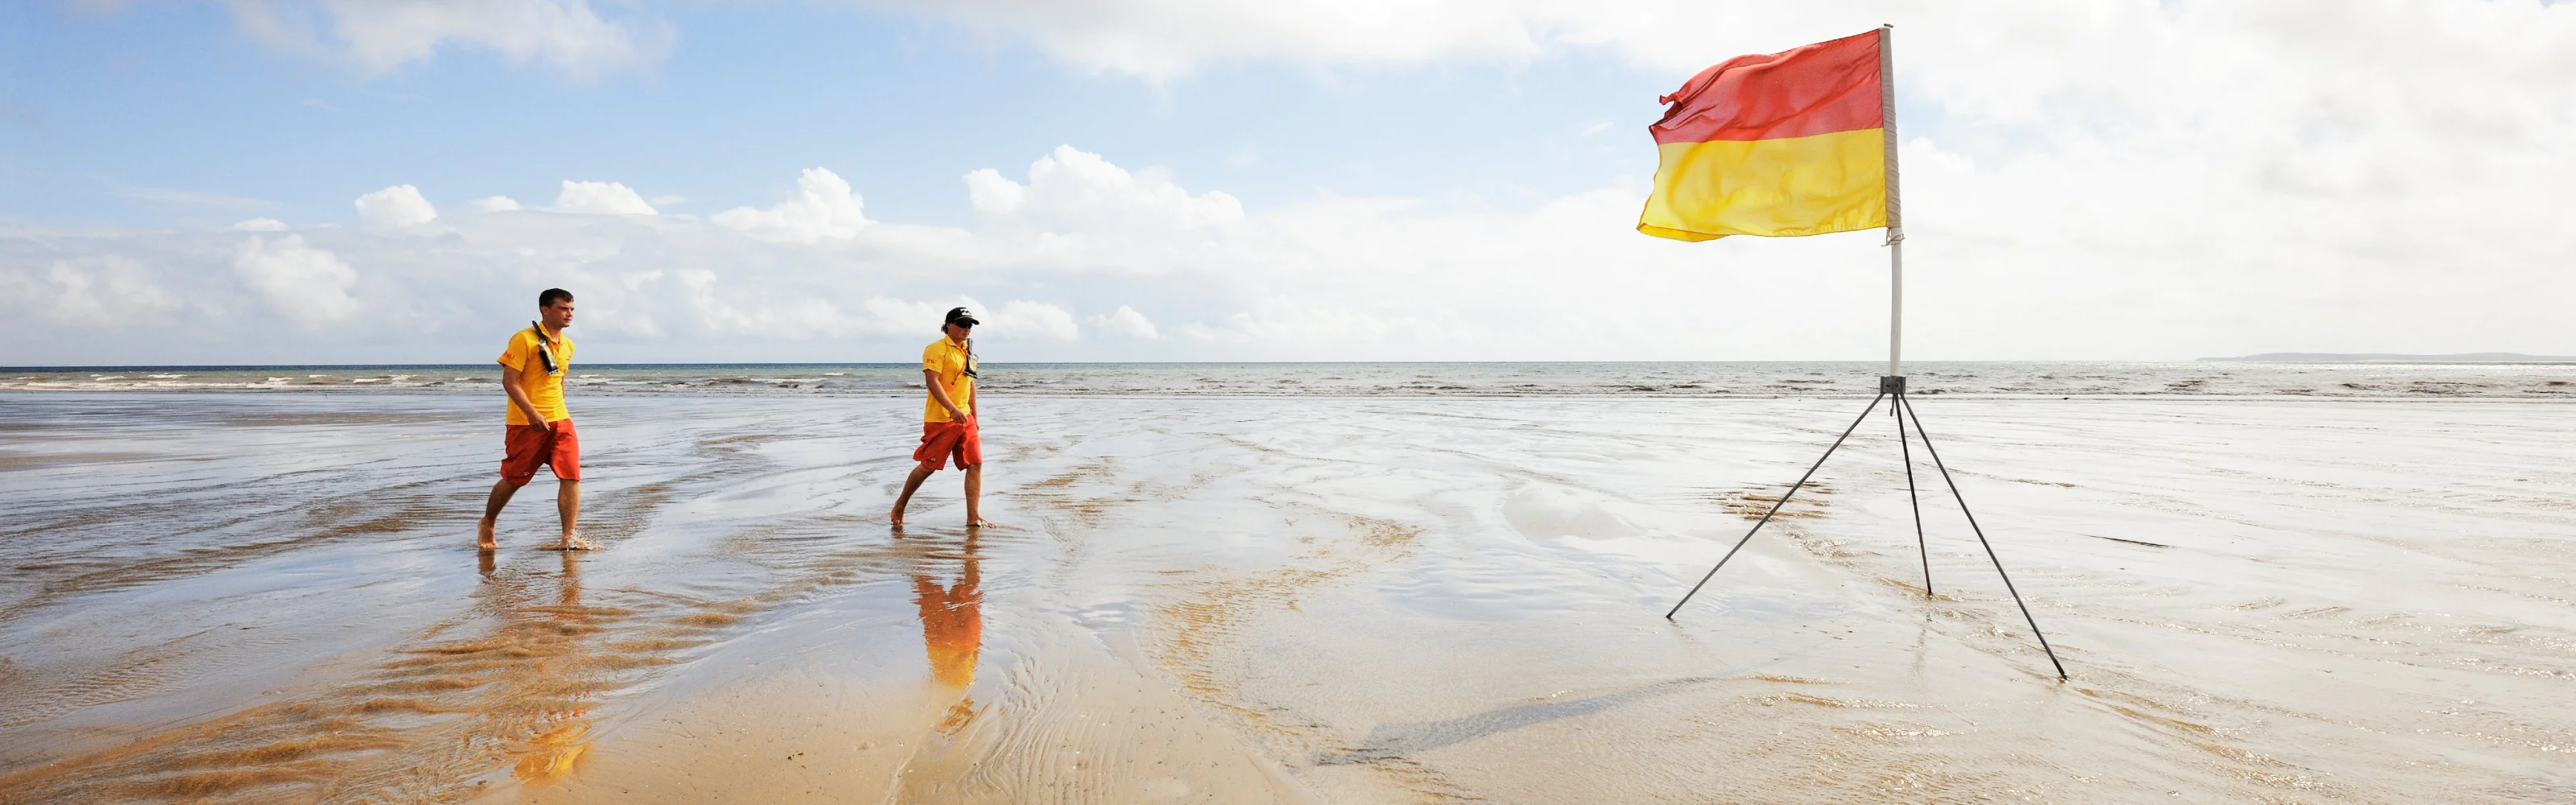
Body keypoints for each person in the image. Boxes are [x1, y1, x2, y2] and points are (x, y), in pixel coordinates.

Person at [477, 288, 600, 551]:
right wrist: (533, 413)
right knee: (515, 478)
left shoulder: (568, 345)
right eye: (563, 309)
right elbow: (510, 382)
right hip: (525, 422)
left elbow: (560, 381)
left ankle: (568, 537)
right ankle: (488, 522)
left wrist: (562, 413)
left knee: (571, 476)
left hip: (561, 421)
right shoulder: (524, 339)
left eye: (572, 309)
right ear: (545, 310)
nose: (569, 314)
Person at [890, 307, 993, 529]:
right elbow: (932, 382)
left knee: (975, 464)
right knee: (928, 466)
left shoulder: (967, 350)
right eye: (962, 324)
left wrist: (973, 413)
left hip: (965, 418)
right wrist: (952, 409)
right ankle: (900, 504)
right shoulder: (936, 349)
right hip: (941, 418)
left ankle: (973, 517)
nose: (967, 329)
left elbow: (969, 383)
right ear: (949, 325)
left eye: (970, 326)